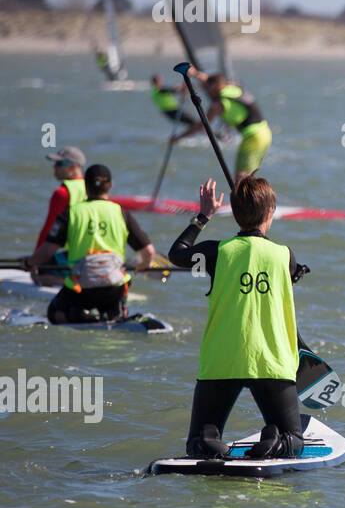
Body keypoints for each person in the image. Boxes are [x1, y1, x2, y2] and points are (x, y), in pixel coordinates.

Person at [169, 176, 308, 460]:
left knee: (197, 442)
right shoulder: (285, 256)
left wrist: (203, 216)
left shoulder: (215, 252)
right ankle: (275, 441)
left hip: (222, 361)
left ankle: (211, 444)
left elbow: (177, 255)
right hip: (271, 363)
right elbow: (290, 273)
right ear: (270, 213)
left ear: (233, 213)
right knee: (295, 439)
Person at [25, 164, 156, 323]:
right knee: (117, 292)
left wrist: (29, 262)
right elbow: (149, 252)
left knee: (53, 312)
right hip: (114, 288)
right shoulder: (121, 213)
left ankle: (82, 318)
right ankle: (114, 315)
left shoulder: (71, 213)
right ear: (111, 185)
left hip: (81, 288)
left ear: (85, 185)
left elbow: (46, 252)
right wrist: (144, 266)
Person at [179, 67, 271, 185]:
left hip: (253, 138)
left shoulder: (218, 105)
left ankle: (247, 203)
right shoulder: (232, 86)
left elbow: (201, 126)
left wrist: (178, 138)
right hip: (265, 133)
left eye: (209, 88)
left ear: (213, 87)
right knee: (249, 177)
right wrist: (194, 73)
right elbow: (208, 80)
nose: (207, 91)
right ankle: (254, 200)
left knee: (241, 179)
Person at [32, 147, 88, 287]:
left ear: (74, 166)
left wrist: (35, 260)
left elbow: (48, 230)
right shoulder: (92, 188)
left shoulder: (62, 193)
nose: (54, 168)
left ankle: (73, 283)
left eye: (59, 164)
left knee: (37, 275)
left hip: (71, 256)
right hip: (94, 255)